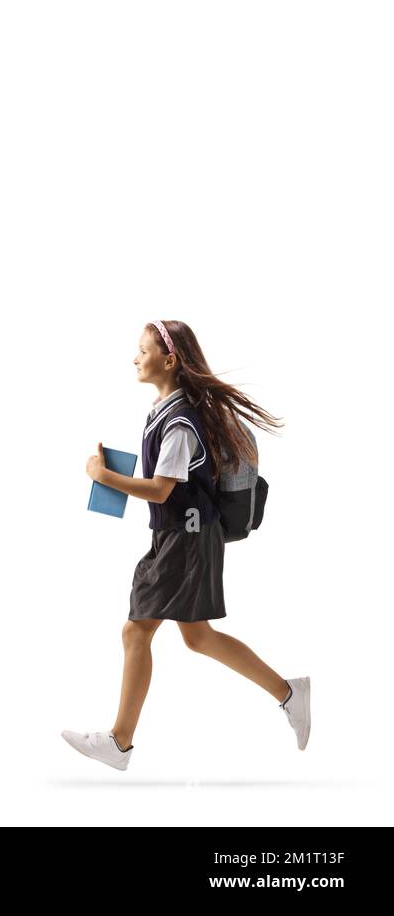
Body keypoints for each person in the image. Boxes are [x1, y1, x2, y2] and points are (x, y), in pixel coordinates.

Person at [61, 320, 308, 771]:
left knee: (137, 630)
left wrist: (102, 476)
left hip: (188, 539)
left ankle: (119, 742)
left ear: (169, 360)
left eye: (142, 350)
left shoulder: (179, 422)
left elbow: (160, 490)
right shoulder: (167, 410)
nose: (135, 357)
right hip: (181, 537)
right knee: (196, 637)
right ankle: (289, 692)